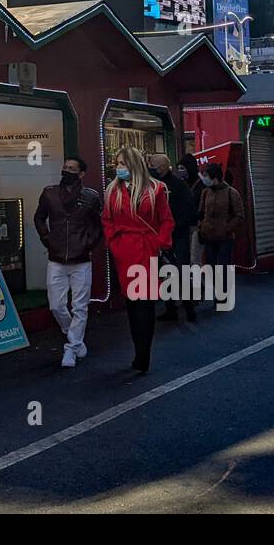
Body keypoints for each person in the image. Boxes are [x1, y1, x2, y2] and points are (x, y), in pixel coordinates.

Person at [102, 145, 174, 375]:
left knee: (144, 303)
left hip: (145, 250)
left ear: (133, 164)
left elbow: (166, 220)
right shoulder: (112, 191)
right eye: (117, 164)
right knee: (133, 304)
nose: (118, 168)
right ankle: (139, 351)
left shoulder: (156, 189)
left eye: (122, 163)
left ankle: (143, 353)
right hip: (124, 252)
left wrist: (158, 243)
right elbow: (107, 220)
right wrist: (114, 243)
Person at [33, 155, 103, 367]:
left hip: (81, 258)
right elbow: (39, 217)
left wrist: (88, 243)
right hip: (56, 257)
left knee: (80, 306)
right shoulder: (49, 193)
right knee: (56, 305)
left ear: (81, 173)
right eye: (65, 167)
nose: (67, 171)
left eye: (72, 168)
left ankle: (71, 348)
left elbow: (98, 225)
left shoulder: (91, 197)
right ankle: (74, 336)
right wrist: (47, 238)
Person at [150, 154, 197, 322]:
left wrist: (176, 227)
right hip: (159, 236)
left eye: (153, 164)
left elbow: (188, 210)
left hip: (178, 235)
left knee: (181, 270)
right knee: (165, 272)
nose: (151, 167)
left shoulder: (178, 185)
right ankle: (170, 308)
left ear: (162, 167)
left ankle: (188, 307)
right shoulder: (152, 185)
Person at [197, 162, 244, 271]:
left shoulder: (231, 193)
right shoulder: (205, 192)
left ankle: (224, 287)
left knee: (224, 268)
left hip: (225, 238)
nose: (203, 179)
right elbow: (201, 212)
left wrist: (226, 229)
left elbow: (239, 215)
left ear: (214, 177)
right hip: (208, 236)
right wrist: (202, 228)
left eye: (205, 176)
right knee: (210, 267)